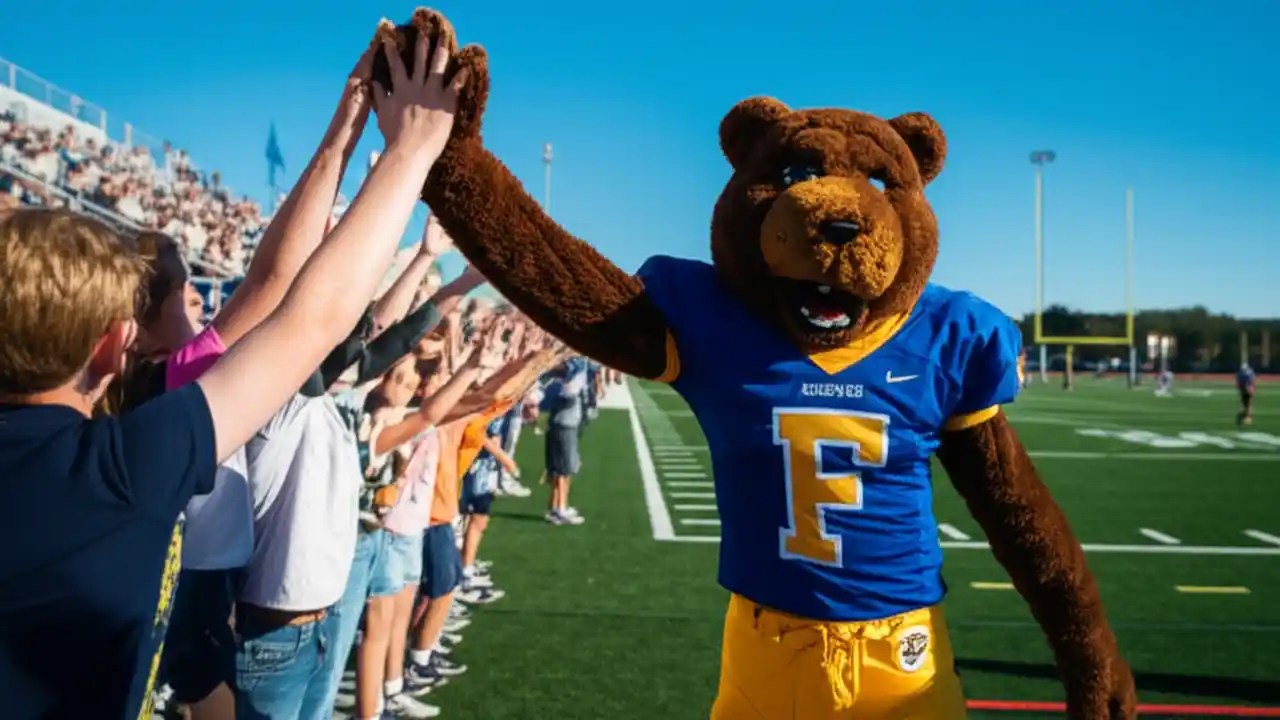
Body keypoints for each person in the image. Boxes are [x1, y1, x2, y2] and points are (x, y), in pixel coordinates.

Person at [0, 23, 464, 718]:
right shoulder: (122, 465)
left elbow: (276, 296)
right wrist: (411, 148)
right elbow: (300, 312)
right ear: (111, 344)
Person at [541, 356, 590, 525]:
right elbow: (567, 382)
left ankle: (555, 506)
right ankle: (560, 509)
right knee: (563, 469)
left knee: (562, 468)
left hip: (565, 423)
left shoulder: (576, 365)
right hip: (564, 424)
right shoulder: (571, 368)